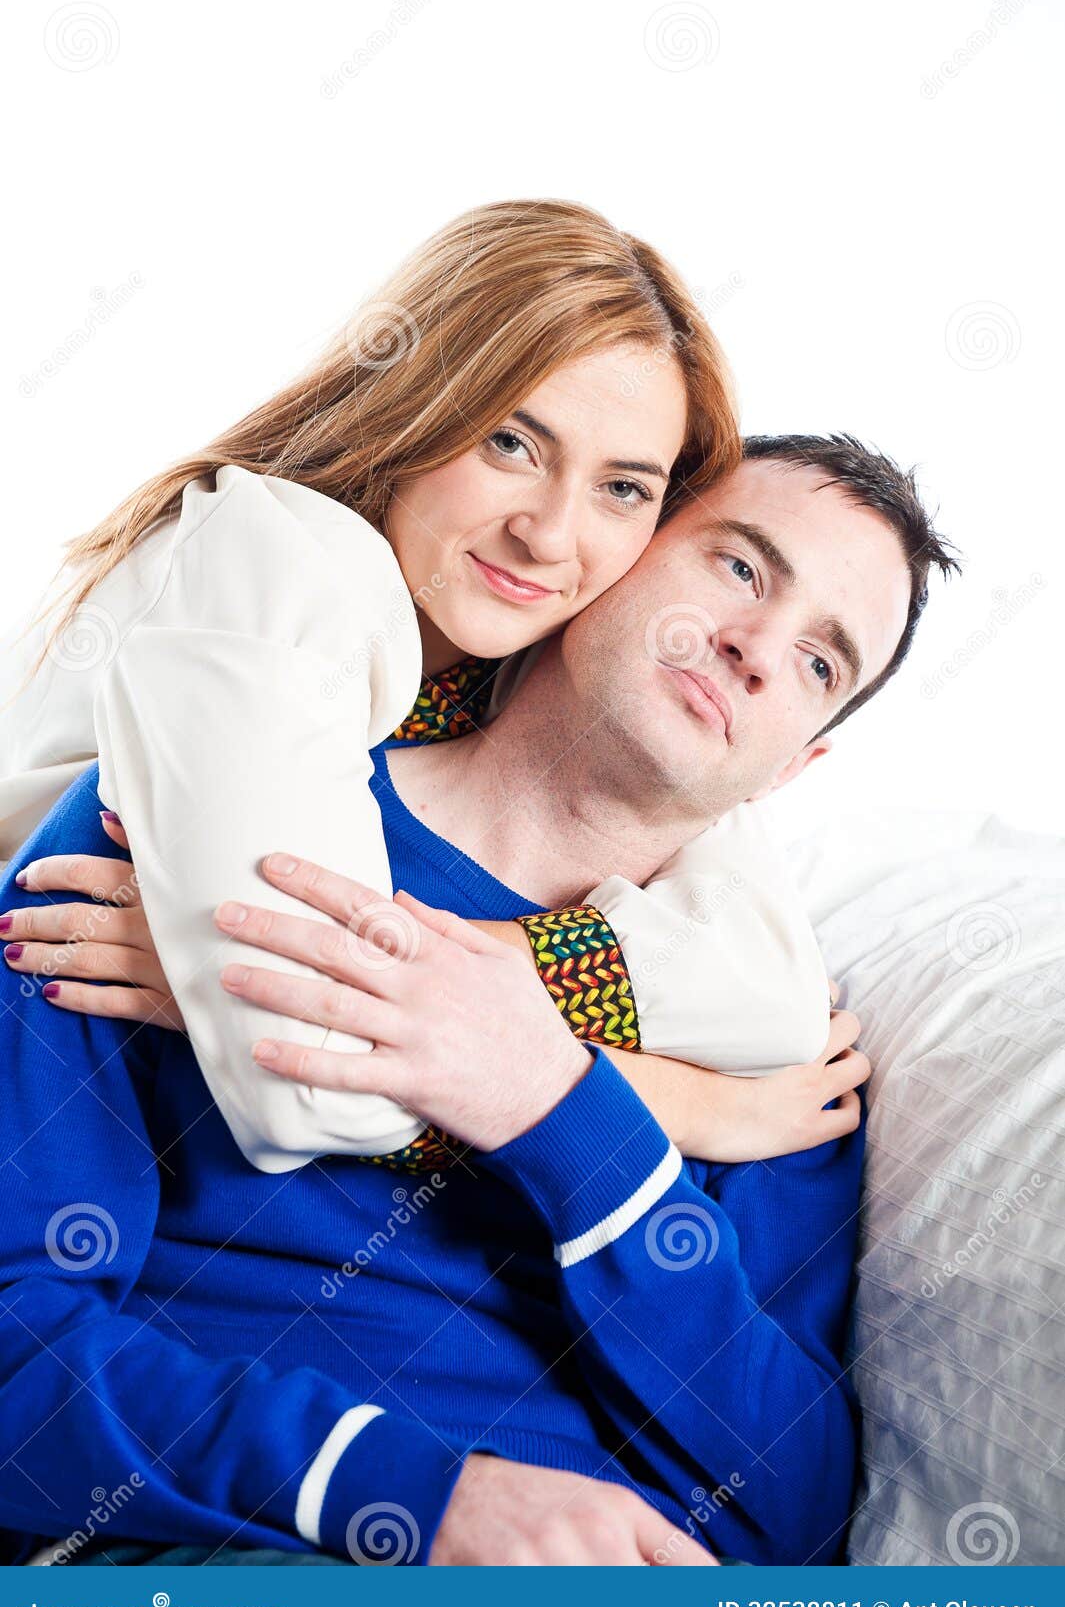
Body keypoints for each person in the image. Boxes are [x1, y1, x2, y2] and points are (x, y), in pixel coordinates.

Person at [0, 438, 959, 1566]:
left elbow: (789, 1513)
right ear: (615, 555)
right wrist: (416, 1496)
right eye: (742, 569)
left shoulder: (778, 1052)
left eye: (820, 664)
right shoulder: (191, 810)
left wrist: (564, 1112)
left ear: (797, 763)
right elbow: (18, 1351)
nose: (757, 650)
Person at [0, 200, 832, 1178]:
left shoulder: (531, 648)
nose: (552, 535)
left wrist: (427, 976)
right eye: (512, 444)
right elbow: (315, 1087)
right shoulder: (280, 561)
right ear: (413, 408)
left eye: (622, 489)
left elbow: (771, 992)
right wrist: (692, 1104)